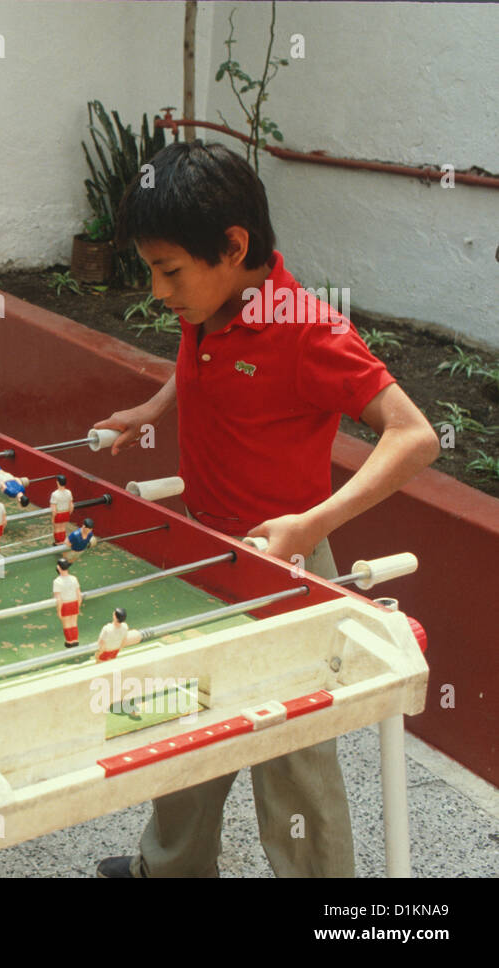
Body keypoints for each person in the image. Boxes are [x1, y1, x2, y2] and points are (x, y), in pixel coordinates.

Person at [92, 141, 438, 879]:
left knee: (294, 759)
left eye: (167, 270)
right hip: (202, 557)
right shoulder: (207, 301)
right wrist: (151, 406)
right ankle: (171, 870)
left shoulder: (308, 329)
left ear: (234, 247)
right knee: (184, 726)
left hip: (286, 574)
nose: (158, 291)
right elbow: (199, 365)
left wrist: (313, 526)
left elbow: (415, 437)